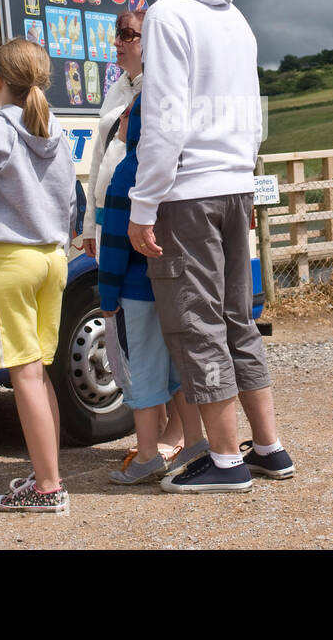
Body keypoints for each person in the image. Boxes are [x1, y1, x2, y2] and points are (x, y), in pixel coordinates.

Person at [122, 0, 294, 493]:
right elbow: (250, 113)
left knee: (196, 324)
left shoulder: (168, 14)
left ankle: (225, 461)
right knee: (236, 317)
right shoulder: (236, 17)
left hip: (188, 190)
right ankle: (268, 446)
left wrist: (144, 208)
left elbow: (165, 121)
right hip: (234, 183)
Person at [0, 39, 77, 513]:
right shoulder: (56, 130)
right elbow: (69, 202)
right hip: (52, 259)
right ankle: (50, 474)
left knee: (23, 373)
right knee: (39, 370)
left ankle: (48, 487)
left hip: (12, 261)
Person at [84, 11, 191, 470]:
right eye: (118, 34)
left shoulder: (161, 87)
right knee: (141, 341)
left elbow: (154, 158)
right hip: (115, 217)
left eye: (130, 34)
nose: (120, 43)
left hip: (146, 225)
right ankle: (165, 431)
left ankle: (177, 434)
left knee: (159, 341)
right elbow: (100, 163)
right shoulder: (118, 90)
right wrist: (91, 223)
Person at [97, 71, 207, 484]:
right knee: (180, 369)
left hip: (137, 295)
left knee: (142, 374)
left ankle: (147, 456)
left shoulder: (126, 174)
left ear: (137, 124)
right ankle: (194, 441)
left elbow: (113, 249)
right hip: (176, 288)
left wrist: (107, 300)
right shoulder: (177, 168)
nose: (120, 122)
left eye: (126, 116)